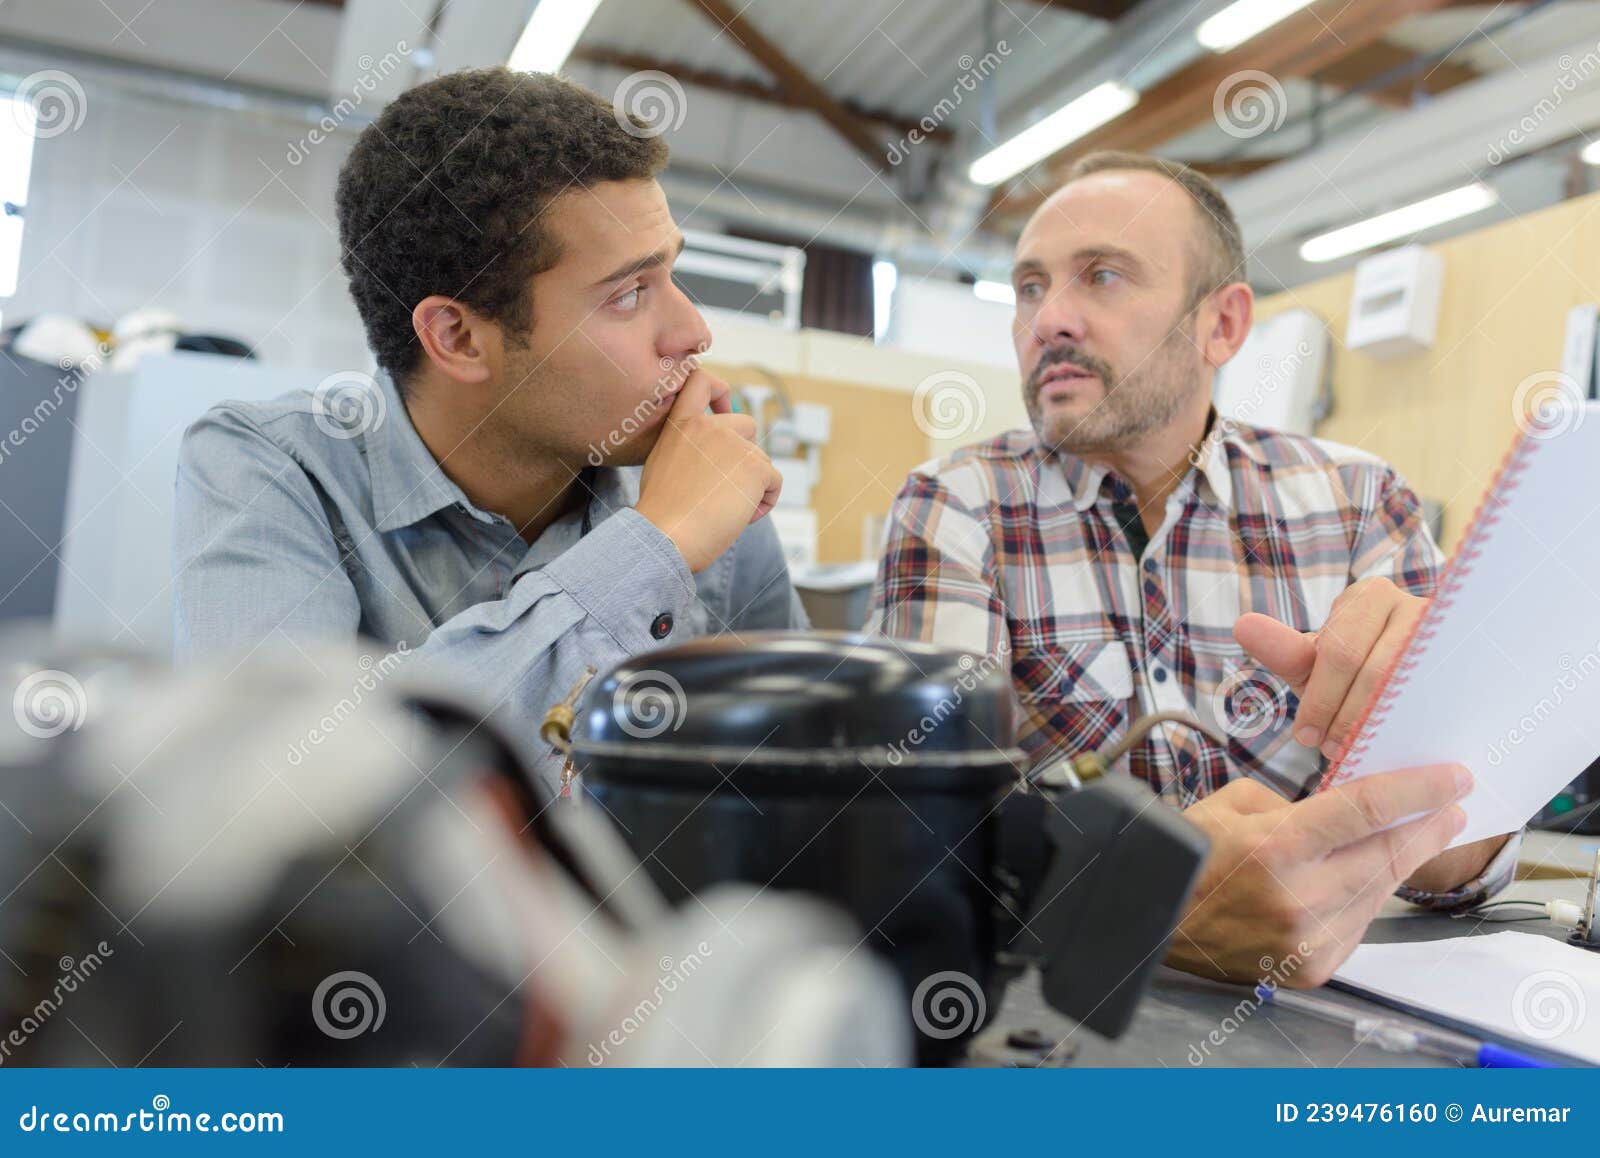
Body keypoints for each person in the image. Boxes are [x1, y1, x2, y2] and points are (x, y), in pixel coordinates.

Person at [867, 151, 1516, 985]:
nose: (1048, 320)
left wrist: (1440, 812)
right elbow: (918, 820)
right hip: (1068, 997)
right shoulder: (956, 508)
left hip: (1345, 995)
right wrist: (1140, 895)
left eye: (1101, 276)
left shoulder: (1358, 502)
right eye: (1029, 287)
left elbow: (1477, 835)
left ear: (1223, 324)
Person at [173, 69, 800, 792]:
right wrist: (654, 547)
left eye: (670, 275)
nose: (694, 331)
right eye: (630, 294)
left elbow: (781, 801)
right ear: (459, 338)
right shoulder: (270, 468)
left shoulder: (716, 492)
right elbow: (301, 792)